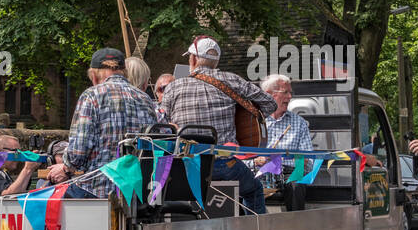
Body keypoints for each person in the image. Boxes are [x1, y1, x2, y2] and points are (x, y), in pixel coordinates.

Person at [162, 37, 276, 215]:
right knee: (254, 190)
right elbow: (270, 104)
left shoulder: (173, 87)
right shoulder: (232, 80)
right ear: (216, 62)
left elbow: (164, 123)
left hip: (187, 166)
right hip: (225, 163)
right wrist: (244, 120)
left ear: (192, 59)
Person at [47, 47, 159, 197]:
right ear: (124, 72)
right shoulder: (145, 99)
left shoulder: (92, 95)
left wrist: (65, 168)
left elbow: (78, 152)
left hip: (98, 188)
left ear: (94, 75)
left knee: (45, 202)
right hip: (136, 191)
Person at [252, 75, 314, 184]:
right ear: (269, 94)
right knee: (246, 184)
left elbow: (308, 162)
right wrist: (255, 162)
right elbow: (238, 160)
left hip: (289, 174)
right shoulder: (253, 122)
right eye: (285, 92)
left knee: (296, 185)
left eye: (290, 93)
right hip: (258, 174)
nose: (290, 97)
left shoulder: (299, 123)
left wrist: (301, 162)